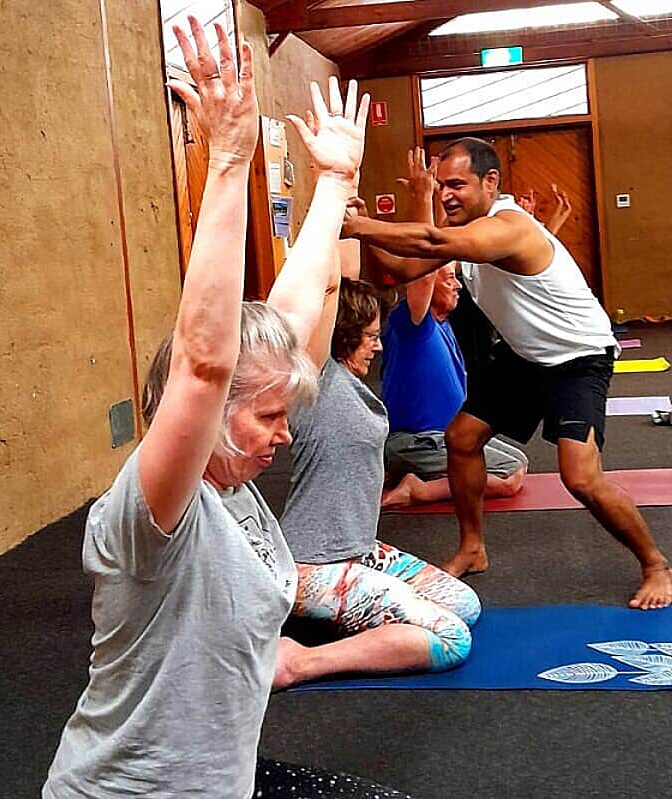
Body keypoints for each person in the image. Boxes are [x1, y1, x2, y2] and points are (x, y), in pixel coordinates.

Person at [43, 19, 405, 798]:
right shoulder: (153, 514)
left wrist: (336, 185)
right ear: (204, 412)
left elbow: (290, 318)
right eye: (267, 417)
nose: (283, 434)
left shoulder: (233, 483)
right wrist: (229, 160)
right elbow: (207, 364)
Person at [341, 136, 672, 610]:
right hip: (524, 357)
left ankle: (657, 564)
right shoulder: (469, 229)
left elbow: (433, 239)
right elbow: (402, 267)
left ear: (491, 182)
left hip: (577, 358)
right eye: (440, 186)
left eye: (456, 184)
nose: (445, 195)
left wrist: (358, 222)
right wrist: (360, 232)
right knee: (461, 438)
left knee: (579, 477)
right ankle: (472, 547)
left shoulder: (509, 228)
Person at [274, 270, 482, 689]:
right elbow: (325, 288)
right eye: (370, 335)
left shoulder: (350, 384)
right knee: (451, 640)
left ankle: (341, 614)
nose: (380, 344)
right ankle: (300, 661)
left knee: (465, 604)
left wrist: (352, 218)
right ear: (342, 335)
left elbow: (347, 273)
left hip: (359, 551)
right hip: (309, 563)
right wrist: (331, 207)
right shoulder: (316, 381)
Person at [375, 147, 527, 508]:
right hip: (416, 441)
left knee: (516, 461)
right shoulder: (416, 325)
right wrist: (422, 197)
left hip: (442, 437)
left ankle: (429, 474)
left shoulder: (444, 327)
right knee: (507, 475)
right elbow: (424, 264)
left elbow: (444, 244)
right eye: (447, 279)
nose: (456, 284)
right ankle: (418, 489)